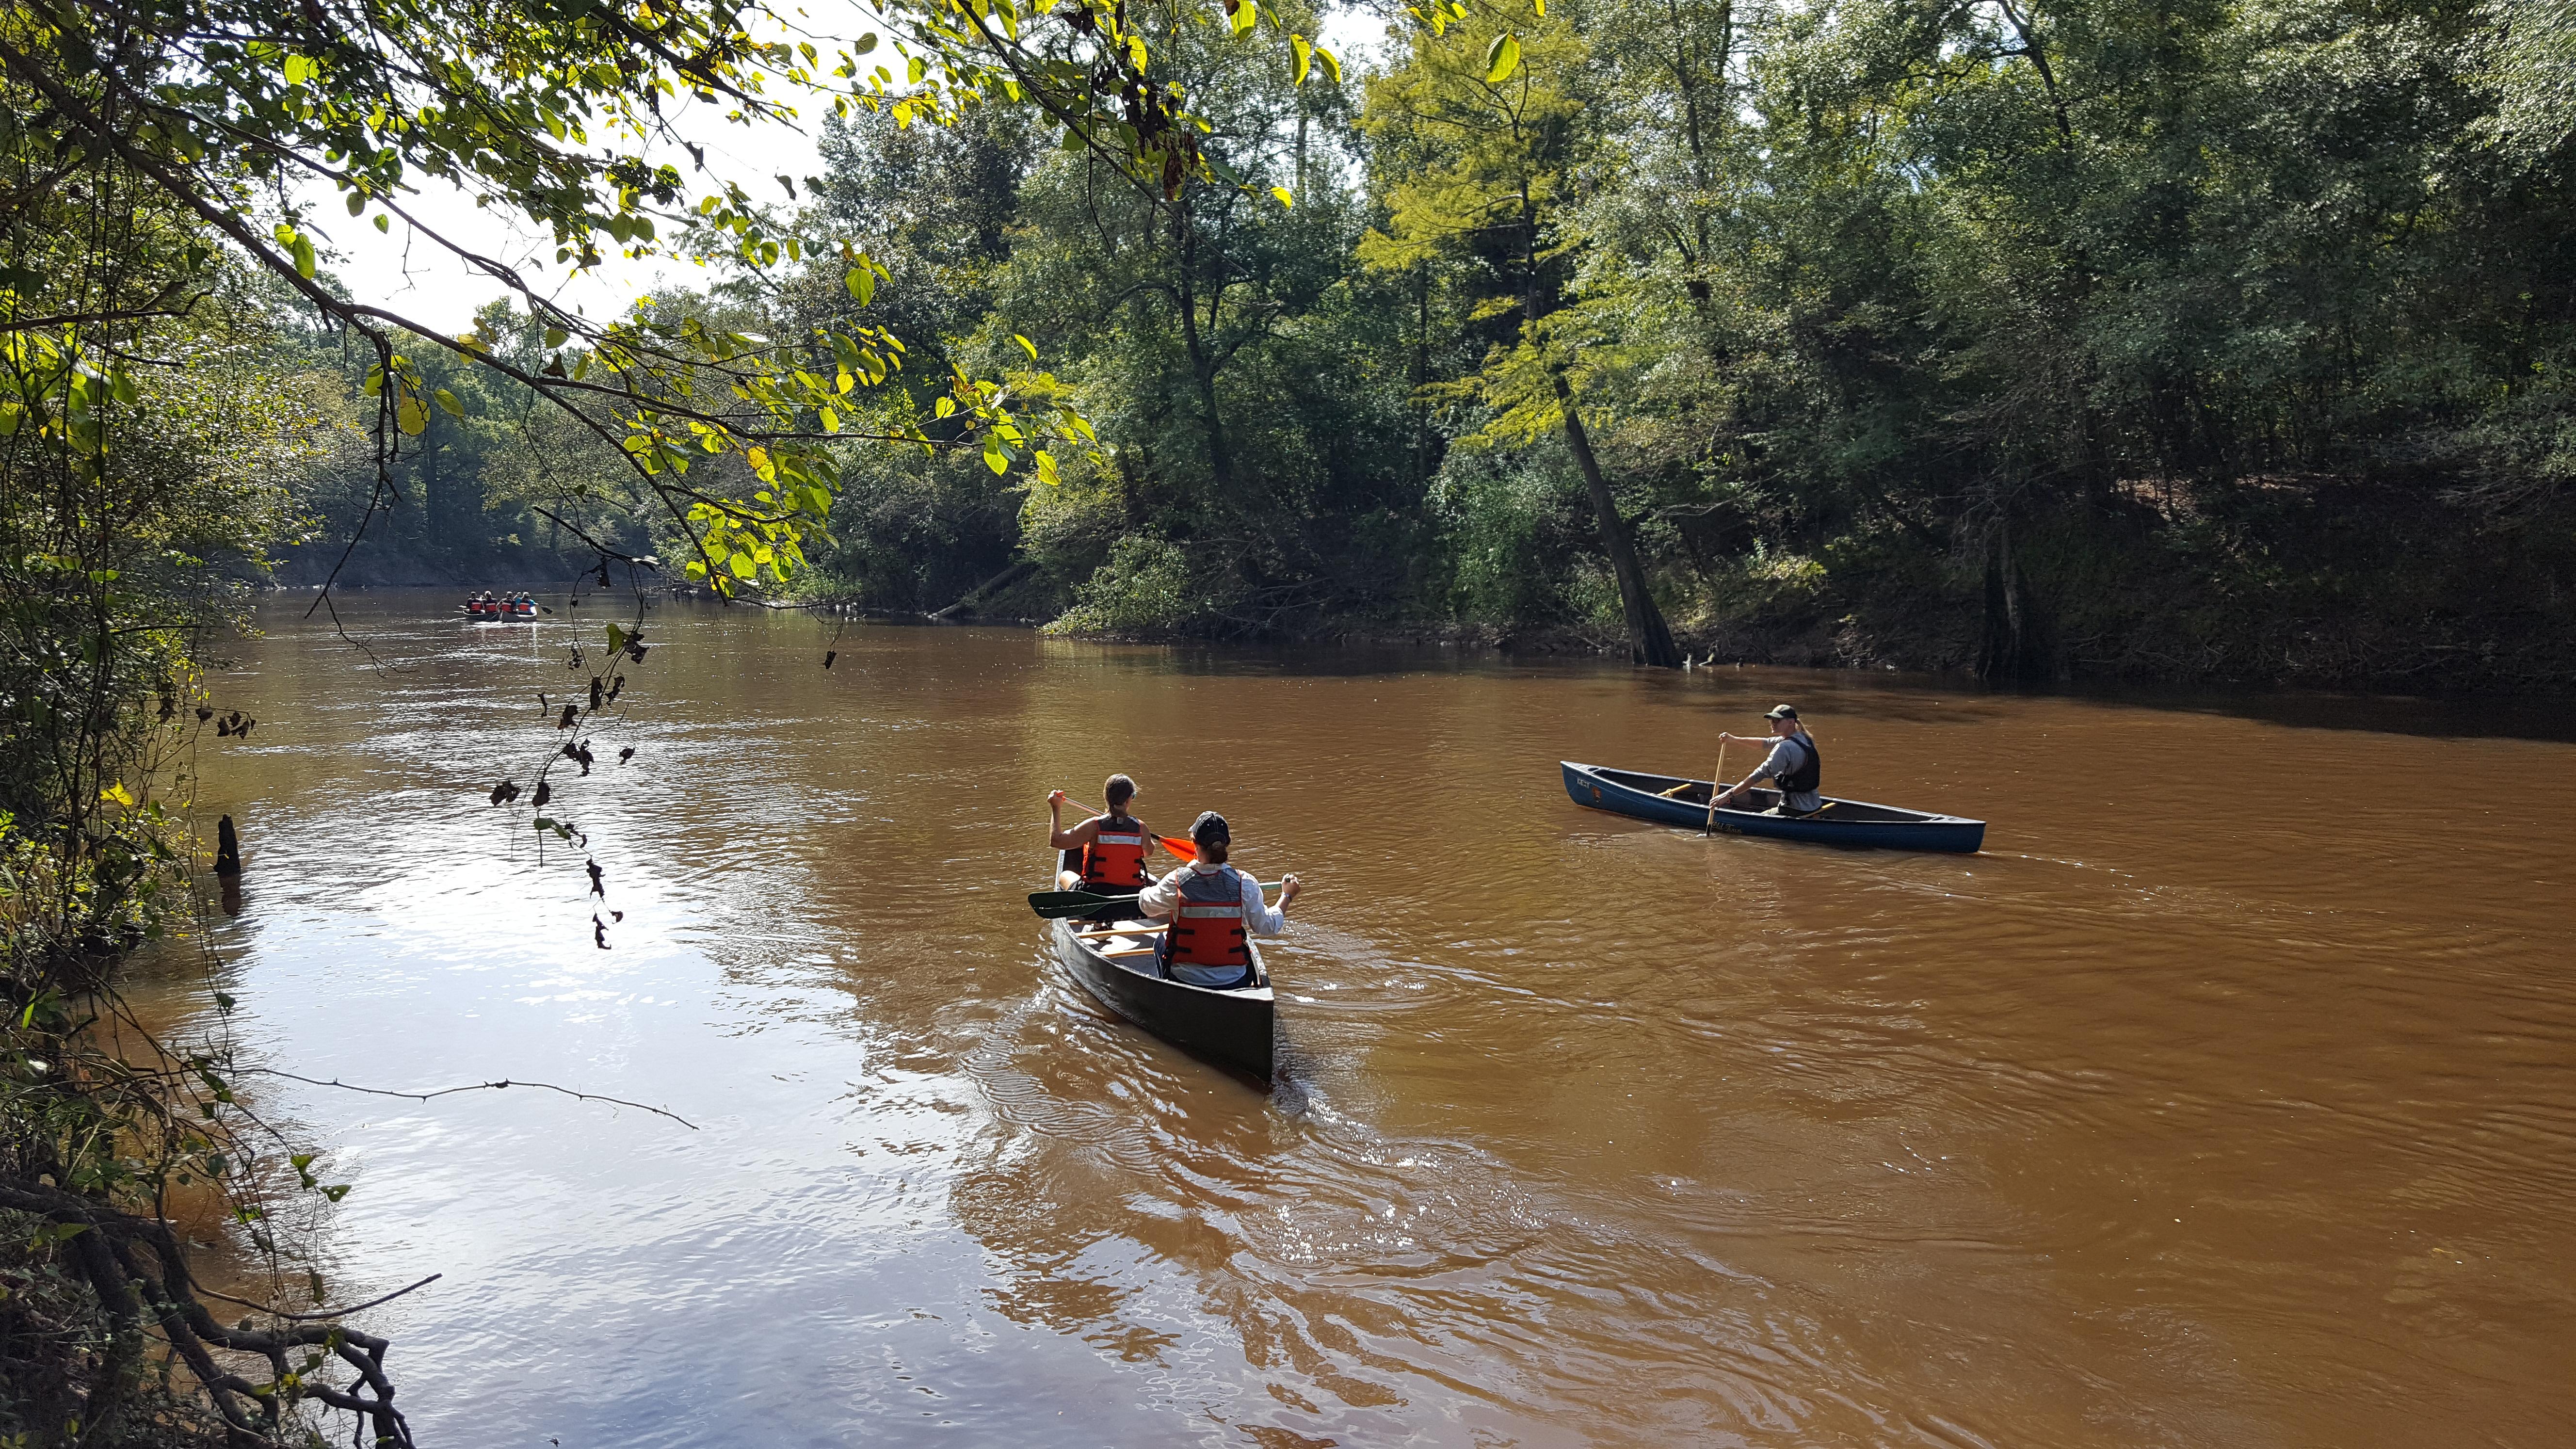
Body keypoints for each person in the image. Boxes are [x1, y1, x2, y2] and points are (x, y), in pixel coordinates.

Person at [1138, 811, 1302, 989]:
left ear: (1194, 843)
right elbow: (1268, 926)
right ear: (1226, 845)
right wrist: (1287, 896)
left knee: (1160, 941)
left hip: (1186, 980)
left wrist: (1146, 891)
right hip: (1234, 980)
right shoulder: (1245, 883)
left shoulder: (1177, 881)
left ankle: (1168, 991)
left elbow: (1147, 907)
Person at [1047, 774, 1170, 895]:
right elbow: (1149, 851)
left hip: (1095, 892)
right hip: (1132, 891)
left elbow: (1056, 841)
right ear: (1128, 800)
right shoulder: (1141, 828)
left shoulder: (1094, 826)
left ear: (1106, 797)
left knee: (1065, 875)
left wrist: (1055, 808)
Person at [1712, 704, 1823, 817]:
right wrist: (1735, 740)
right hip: (1814, 805)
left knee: (1757, 820)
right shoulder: (1804, 738)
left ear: (1791, 722)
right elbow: (1766, 743)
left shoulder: (1784, 747)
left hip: (1794, 809)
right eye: (1772, 720)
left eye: (1777, 720)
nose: (1773, 723)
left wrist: (1728, 795)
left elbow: (1759, 775)